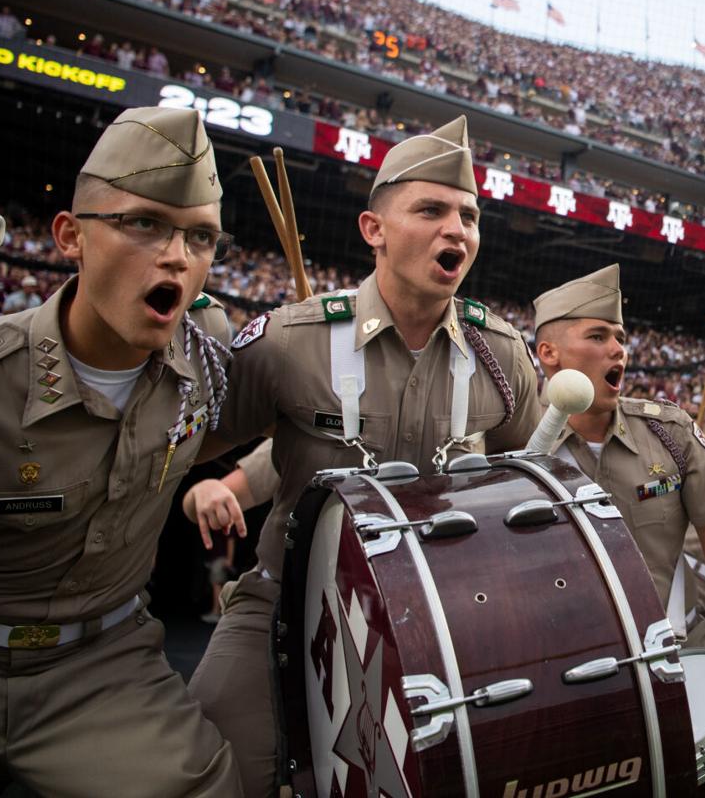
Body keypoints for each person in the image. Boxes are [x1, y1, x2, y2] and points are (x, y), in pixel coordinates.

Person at [186, 116, 541, 797]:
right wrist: (202, 487)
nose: (457, 229)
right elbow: (183, 444)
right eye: (431, 210)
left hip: (442, 617)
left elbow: (535, 485)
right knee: (213, 767)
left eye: (468, 215)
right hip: (286, 603)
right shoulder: (291, 342)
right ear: (373, 229)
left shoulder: (502, 358)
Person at [0, 107, 240, 795]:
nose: (177, 255)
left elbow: (299, 419)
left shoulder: (209, 357)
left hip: (102, 669)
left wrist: (238, 482)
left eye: (201, 237)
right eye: (144, 223)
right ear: (69, 237)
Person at [530, 265, 705, 686]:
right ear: (549, 353)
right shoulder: (521, 446)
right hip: (574, 659)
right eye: (597, 336)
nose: (618, 350)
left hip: (682, 644)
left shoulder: (668, 431)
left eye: (621, 338)